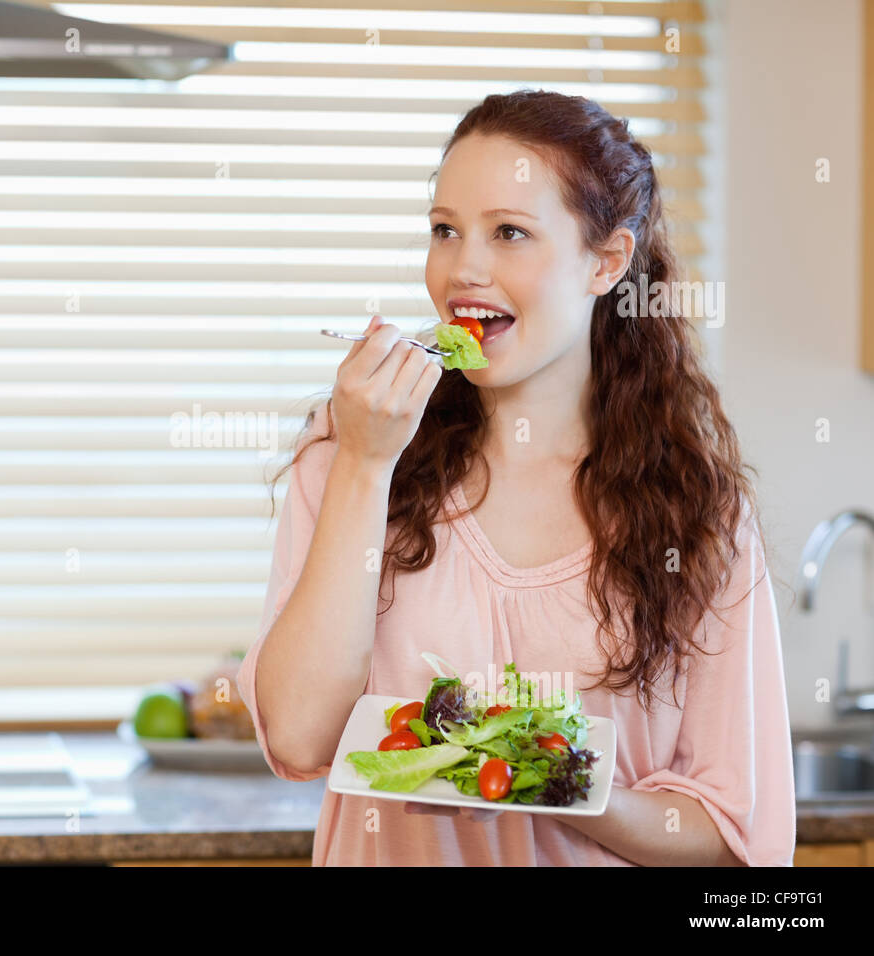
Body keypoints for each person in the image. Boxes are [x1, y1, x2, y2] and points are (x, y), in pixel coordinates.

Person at [235, 90, 796, 866]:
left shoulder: (697, 512)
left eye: (510, 233)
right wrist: (368, 466)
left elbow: (734, 839)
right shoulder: (347, 453)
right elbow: (299, 736)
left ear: (607, 261)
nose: (464, 268)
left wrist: (556, 781)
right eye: (445, 230)